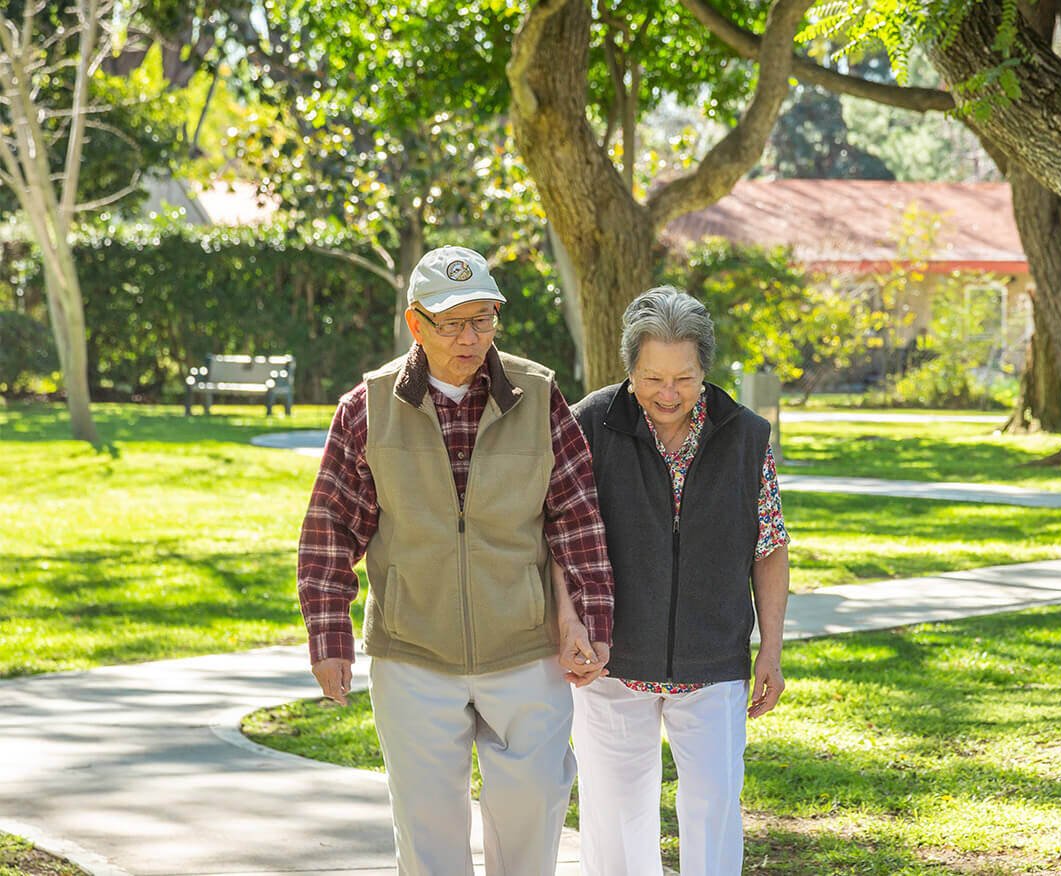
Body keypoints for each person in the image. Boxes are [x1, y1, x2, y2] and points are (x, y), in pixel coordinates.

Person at [296, 244, 614, 875]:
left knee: (534, 809)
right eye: (452, 322)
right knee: (428, 829)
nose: (471, 338)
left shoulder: (538, 395)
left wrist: (591, 623)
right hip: (414, 653)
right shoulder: (366, 408)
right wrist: (328, 636)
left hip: (524, 647)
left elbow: (577, 520)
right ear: (416, 324)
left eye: (483, 319)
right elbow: (330, 530)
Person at [570, 287, 791, 876]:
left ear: (705, 370)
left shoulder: (747, 437)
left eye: (684, 378)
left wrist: (770, 649)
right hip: (609, 662)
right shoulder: (589, 423)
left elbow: (768, 547)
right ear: (630, 369)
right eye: (651, 378)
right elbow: (555, 537)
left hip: (713, 662)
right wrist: (567, 626)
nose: (668, 395)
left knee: (714, 808)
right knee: (614, 816)